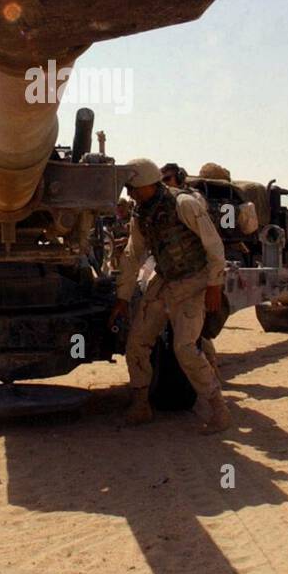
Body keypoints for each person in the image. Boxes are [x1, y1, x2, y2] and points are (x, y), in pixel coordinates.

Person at [110, 158, 231, 432]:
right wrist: (123, 298)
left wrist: (214, 286)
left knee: (185, 348)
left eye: (134, 189)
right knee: (137, 343)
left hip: (194, 283)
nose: (131, 195)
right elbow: (132, 255)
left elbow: (214, 247)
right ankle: (141, 404)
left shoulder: (184, 204)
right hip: (165, 282)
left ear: (150, 184)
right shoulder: (142, 214)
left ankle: (218, 410)